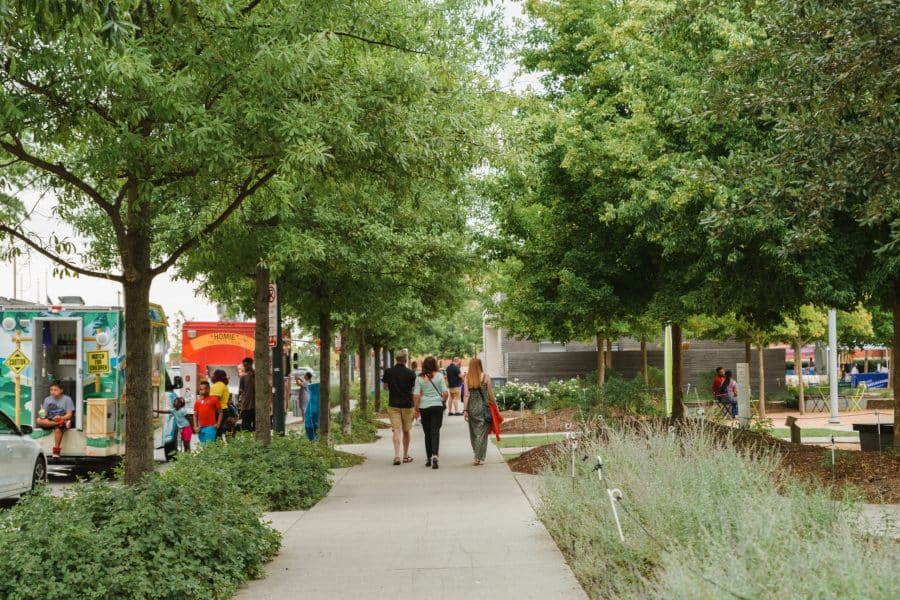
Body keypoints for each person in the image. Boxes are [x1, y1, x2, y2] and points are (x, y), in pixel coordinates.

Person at [413, 356, 449, 469]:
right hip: (437, 406)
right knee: (435, 432)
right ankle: (435, 455)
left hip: (424, 407)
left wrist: (416, 408)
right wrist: (442, 401)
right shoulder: (439, 376)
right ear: (435, 365)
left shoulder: (419, 378)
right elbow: (445, 393)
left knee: (427, 433)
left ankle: (429, 458)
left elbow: (416, 395)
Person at [382, 352, 416, 466]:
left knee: (396, 430)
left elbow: (385, 387)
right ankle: (405, 456)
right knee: (406, 431)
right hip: (407, 404)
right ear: (405, 360)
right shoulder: (411, 373)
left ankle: (397, 456)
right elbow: (412, 389)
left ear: (396, 359)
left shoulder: (388, 372)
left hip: (393, 404)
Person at [463, 357, 496, 466]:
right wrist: (495, 405)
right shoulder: (486, 377)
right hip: (483, 407)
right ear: (480, 365)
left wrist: (465, 410)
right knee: (482, 433)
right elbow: (490, 393)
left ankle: (476, 454)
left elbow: (466, 395)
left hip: (472, 407)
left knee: (473, 432)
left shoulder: (467, 378)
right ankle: (478, 456)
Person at [36, 380, 74, 458]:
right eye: (51, 390)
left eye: (55, 390)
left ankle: (56, 451)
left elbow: (69, 414)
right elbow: (45, 414)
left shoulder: (67, 399)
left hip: (62, 418)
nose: (52, 392)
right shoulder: (47, 399)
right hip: (52, 420)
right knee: (38, 420)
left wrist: (61, 418)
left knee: (57, 430)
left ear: (61, 390)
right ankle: (62, 423)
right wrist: (41, 414)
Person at [210, 369, 235, 437]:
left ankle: (217, 446)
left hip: (219, 410)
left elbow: (215, 398)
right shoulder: (221, 385)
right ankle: (218, 445)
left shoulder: (219, 385)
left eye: (213, 375)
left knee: (216, 431)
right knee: (218, 431)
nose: (211, 376)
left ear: (217, 376)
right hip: (222, 410)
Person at [239, 357, 256, 432]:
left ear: (251, 364)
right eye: (244, 365)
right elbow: (241, 391)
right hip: (249, 405)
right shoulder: (245, 377)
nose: (245, 367)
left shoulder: (245, 377)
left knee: (246, 427)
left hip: (248, 405)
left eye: (246, 365)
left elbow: (241, 391)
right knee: (248, 426)